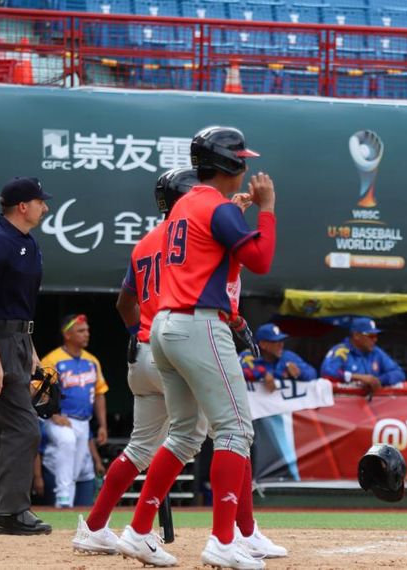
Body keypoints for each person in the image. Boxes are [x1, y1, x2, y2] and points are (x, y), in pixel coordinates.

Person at [75, 168, 286, 560]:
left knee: (152, 444)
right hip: (192, 335)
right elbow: (233, 270)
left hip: (146, 343)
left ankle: (101, 526)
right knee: (232, 430)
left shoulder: (148, 241)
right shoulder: (202, 226)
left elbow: (125, 302)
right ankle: (241, 532)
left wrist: (141, 329)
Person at [115, 126, 277, 570]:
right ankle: (223, 540)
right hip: (198, 322)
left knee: (185, 434)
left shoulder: (186, 204)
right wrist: (265, 210)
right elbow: (260, 259)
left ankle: (138, 530)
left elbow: (208, 233)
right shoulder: (215, 206)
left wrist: (234, 209)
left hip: (162, 327)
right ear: (228, 163)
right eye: (240, 158)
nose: (246, 166)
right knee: (235, 430)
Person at [0, 177, 52, 536]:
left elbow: (19, 310)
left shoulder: (27, 243)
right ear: (23, 206)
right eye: (41, 201)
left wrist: (32, 354)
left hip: (17, 341)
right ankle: (11, 513)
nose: (46, 207)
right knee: (24, 426)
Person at [39, 313, 109, 509]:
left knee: (76, 468)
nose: (86, 334)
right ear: (67, 334)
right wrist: (52, 414)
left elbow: (100, 393)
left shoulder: (92, 361)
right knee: (66, 440)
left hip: (83, 421)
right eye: (81, 331)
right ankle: (62, 498)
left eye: (87, 330)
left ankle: (66, 505)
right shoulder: (52, 359)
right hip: (58, 420)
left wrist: (102, 425)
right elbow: (37, 390)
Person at [320, 317, 405, 393]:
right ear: (356, 335)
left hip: (371, 405)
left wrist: (377, 380)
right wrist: (356, 377)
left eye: (376, 336)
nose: (375, 340)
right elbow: (327, 373)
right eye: (371, 336)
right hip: (344, 404)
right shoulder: (341, 350)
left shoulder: (376, 352)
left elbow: (398, 373)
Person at [240, 323, 318, 390]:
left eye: (281, 340)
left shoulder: (287, 356)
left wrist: (299, 373)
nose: (281, 344)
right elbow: (235, 376)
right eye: (276, 341)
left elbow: (313, 374)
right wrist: (262, 373)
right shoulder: (247, 356)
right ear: (263, 344)